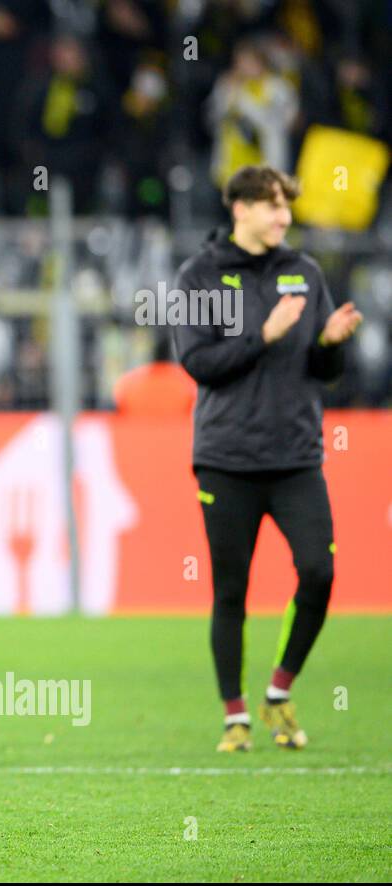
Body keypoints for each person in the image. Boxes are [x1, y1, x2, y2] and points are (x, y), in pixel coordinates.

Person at [171, 165, 362, 753]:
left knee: (319, 571)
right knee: (231, 591)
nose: (283, 216)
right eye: (273, 205)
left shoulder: (303, 273)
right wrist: (267, 335)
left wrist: (329, 345)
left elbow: (324, 373)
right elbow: (199, 363)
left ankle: (279, 692)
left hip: (296, 457)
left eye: (286, 206)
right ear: (240, 209)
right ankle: (235, 717)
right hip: (226, 458)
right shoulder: (200, 277)